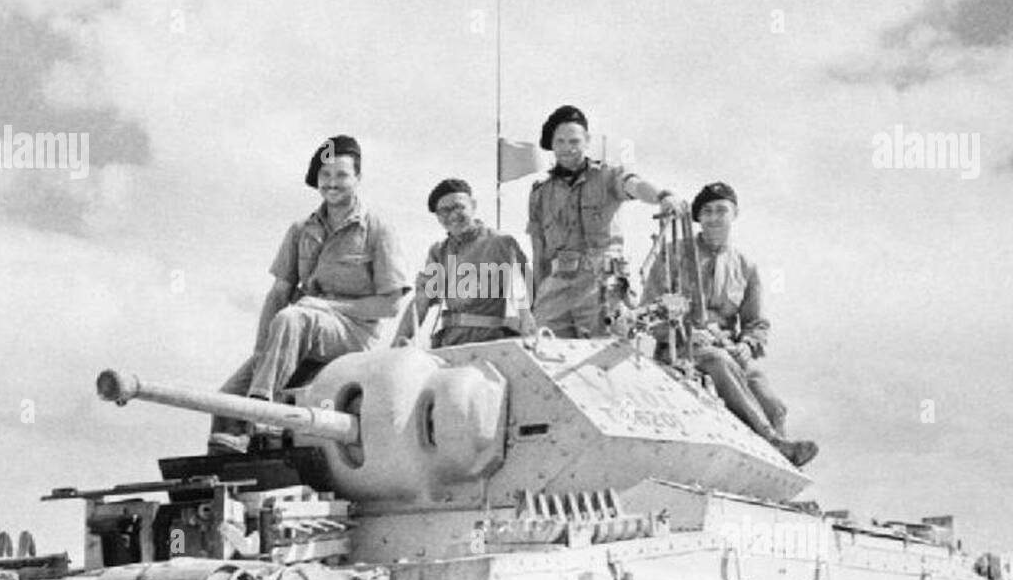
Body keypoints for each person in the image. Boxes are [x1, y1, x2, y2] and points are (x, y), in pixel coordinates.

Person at [207, 135, 411, 453]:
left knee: (293, 318)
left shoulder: (378, 229)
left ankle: (264, 423)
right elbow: (278, 293)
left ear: (358, 178)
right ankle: (222, 477)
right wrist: (263, 349)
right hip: (295, 332)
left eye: (341, 175)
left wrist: (327, 307)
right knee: (225, 402)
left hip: (353, 332)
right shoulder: (301, 229)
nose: (332, 183)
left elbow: (391, 304)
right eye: (325, 176)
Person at [644, 181, 818, 469]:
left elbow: (757, 322)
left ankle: (781, 466)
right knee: (718, 360)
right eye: (707, 211)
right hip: (682, 348)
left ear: (734, 214)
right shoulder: (672, 254)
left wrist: (748, 346)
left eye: (721, 211)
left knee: (771, 400)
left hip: (729, 349)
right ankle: (771, 440)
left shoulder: (745, 266)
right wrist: (683, 331)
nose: (714, 218)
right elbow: (649, 310)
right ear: (698, 218)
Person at [527, 104, 680, 337]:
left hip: (600, 286)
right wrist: (536, 299)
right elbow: (539, 255)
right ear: (553, 144)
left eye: (574, 141)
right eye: (561, 142)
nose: (568, 149)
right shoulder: (540, 193)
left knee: (604, 357)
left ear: (587, 141)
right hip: (555, 289)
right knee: (542, 350)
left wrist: (662, 197)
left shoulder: (607, 176)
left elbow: (634, 185)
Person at [406, 179, 535, 347]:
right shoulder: (439, 251)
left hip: (490, 342)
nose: (453, 215)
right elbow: (421, 302)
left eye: (459, 207)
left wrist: (529, 332)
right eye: (444, 211)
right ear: (438, 217)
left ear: (473, 205)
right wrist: (398, 345)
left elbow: (524, 295)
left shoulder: (500, 243)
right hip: (449, 343)